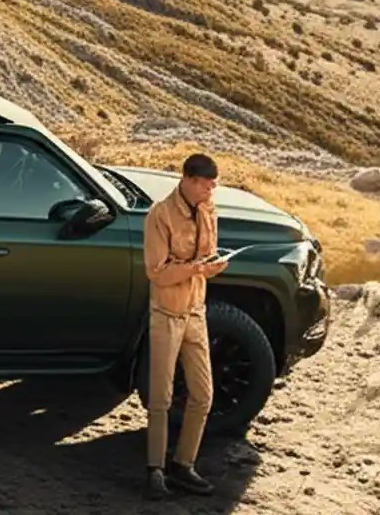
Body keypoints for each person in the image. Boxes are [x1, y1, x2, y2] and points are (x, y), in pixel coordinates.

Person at [142, 153, 226, 500]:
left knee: (203, 395)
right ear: (189, 180)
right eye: (206, 185)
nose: (210, 191)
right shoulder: (160, 215)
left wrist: (211, 266)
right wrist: (196, 269)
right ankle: (155, 470)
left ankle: (183, 465)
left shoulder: (208, 209)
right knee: (160, 398)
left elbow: (205, 254)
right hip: (166, 313)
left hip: (195, 311)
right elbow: (156, 272)